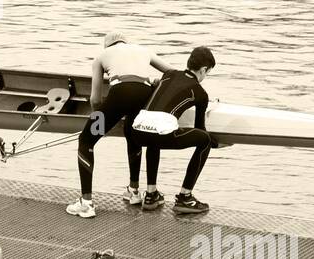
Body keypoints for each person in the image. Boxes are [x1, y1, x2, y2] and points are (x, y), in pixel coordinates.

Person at [66, 32, 174, 219]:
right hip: (144, 93)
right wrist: (156, 84)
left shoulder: (101, 57)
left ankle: (86, 204)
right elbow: (173, 73)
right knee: (132, 134)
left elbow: (96, 99)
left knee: (86, 141)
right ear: (125, 42)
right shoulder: (142, 49)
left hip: (121, 92)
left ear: (107, 46)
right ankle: (133, 191)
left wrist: (100, 123)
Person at [130, 46, 216, 215]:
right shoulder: (200, 93)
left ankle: (151, 195)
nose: (205, 77)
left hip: (137, 130)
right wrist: (215, 142)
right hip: (160, 133)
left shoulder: (169, 74)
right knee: (204, 141)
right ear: (203, 69)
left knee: (153, 139)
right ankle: (186, 197)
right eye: (207, 73)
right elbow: (200, 129)